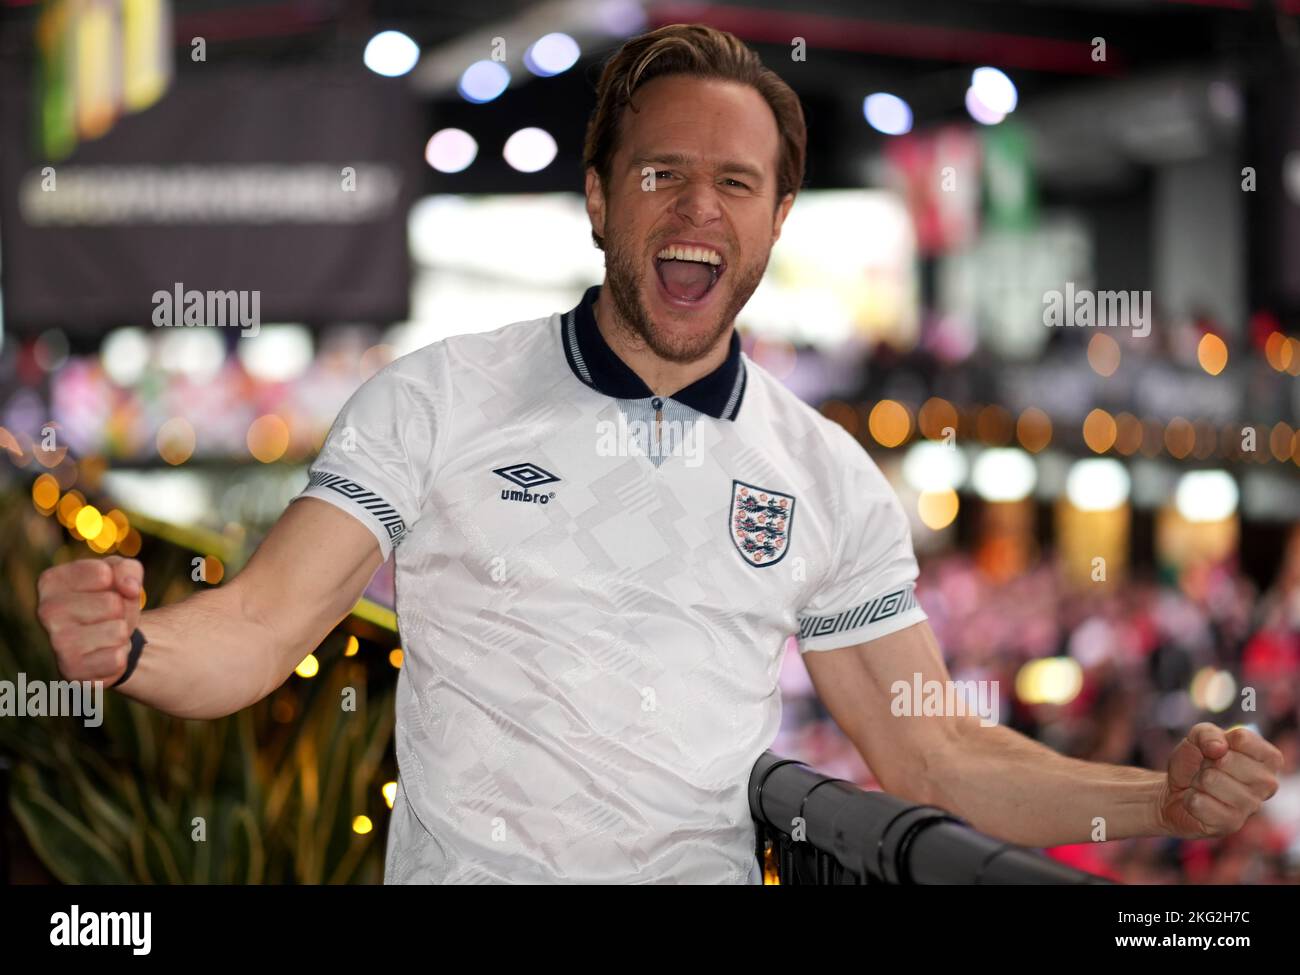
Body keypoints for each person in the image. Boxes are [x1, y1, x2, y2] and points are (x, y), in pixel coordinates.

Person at [34, 23, 1282, 884]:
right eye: (662, 173)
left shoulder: (829, 477)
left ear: (778, 219)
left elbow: (932, 749)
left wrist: (1153, 800)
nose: (698, 209)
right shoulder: (433, 401)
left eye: (735, 184)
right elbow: (254, 633)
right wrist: (130, 645)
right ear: (598, 195)